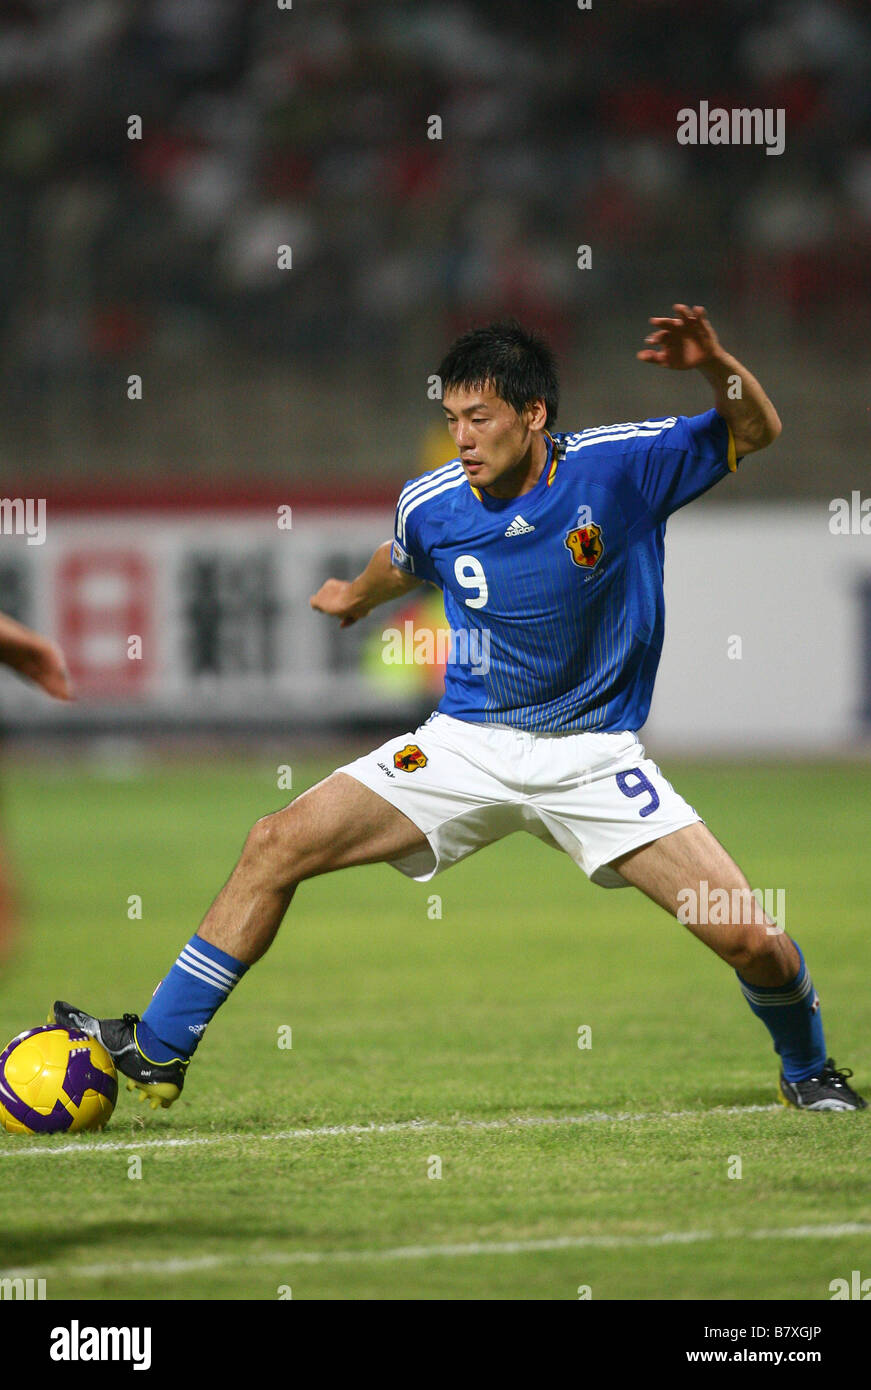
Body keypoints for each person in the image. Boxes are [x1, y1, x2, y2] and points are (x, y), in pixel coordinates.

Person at [55, 306, 865, 1112]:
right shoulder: (432, 501)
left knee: (749, 937)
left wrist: (713, 363)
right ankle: (158, 1045)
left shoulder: (621, 468)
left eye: (479, 418)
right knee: (276, 842)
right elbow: (404, 558)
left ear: (533, 414)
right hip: (464, 747)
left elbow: (755, 429)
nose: (462, 438)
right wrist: (356, 595)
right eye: (450, 419)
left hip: (593, 757)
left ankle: (807, 1069)